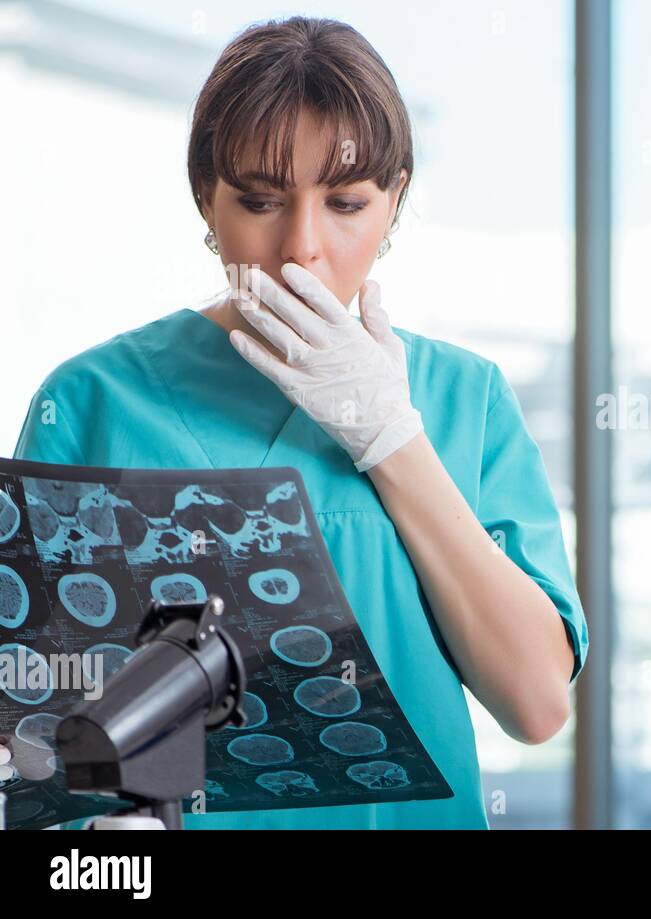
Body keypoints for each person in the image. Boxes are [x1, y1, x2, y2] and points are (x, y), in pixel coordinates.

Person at [13, 16, 588, 829]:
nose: (301, 247)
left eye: (347, 202)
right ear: (204, 198)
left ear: (395, 204)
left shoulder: (466, 400)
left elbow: (535, 704)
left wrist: (391, 438)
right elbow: (37, 731)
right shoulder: (91, 402)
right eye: (259, 200)